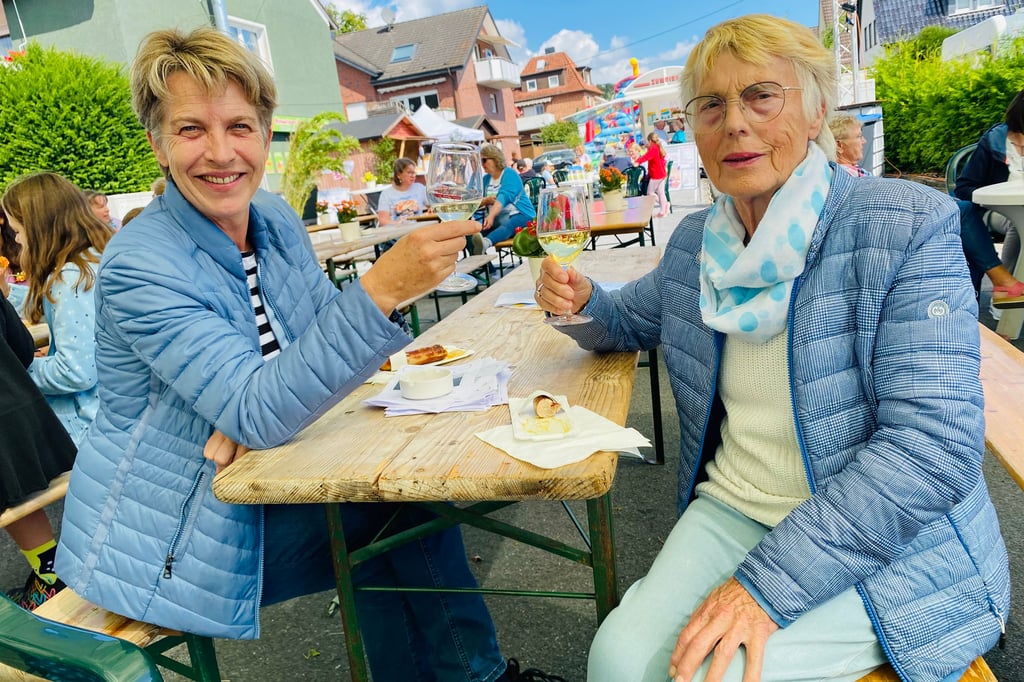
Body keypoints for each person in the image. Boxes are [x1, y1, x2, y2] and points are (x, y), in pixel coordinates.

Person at [52, 27, 555, 682]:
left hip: (263, 477)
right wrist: (378, 293)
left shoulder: (274, 218)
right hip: (166, 537)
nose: (220, 152)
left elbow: (309, 362)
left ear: (265, 135)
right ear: (158, 143)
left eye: (239, 126)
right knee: (397, 510)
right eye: (191, 129)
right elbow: (268, 403)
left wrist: (258, 406)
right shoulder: (138, 265)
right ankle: (482, 678)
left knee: (390, 510)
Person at [534, 14, 1008, 682]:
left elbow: (932, 449)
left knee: (711, 676)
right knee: (614, 662)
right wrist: (583, 302)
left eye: (761, 96)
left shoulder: (904, 224)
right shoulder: (697, 243)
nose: (735, 123)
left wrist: (762, 588)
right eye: (711, 105)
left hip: (890, 543)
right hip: (734, 505)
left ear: (815, 111)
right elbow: (629, 320)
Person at [2, 172, 111, 446]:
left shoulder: (70, 280)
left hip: (86, 428)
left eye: (18, 231)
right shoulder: (90, 261)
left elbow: (76, 371)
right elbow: (50, 306)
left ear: (38, 228)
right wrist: (7, 294)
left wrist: (17, 372)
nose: (17, 240)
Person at [0, 290, 78, 611]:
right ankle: (49, 573)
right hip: (20, 424)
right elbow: (22, 348)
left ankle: (48, 576)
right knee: (18, 491)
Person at [954, 89, 1024, 306]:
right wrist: (992, 194)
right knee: (1019, 220)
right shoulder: (994, 142)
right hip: (995, 210)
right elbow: (964, 187)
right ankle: (1007, 292)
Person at [474, 144, 537, 254]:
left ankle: (486, 243)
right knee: (473, 234)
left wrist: (491, 216)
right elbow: (476, 198)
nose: (482, 164)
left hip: (522, 215)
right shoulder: (486, 179)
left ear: (495, 159)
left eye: (484, 160)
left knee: (509, 225)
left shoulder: (509, 174)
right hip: (497, 219)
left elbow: (503, 197)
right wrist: (485, 201)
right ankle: (483, 262)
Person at [376, 157, 428, 226]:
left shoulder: (419, 188)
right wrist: (399, 225)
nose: (413, 176)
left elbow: (434, 206)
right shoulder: (386, 194)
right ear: (398, 175)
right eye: (409, 172)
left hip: (420, 229)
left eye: (414, 172)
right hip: (399, 231)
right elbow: (383, 221)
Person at [633, 132, 669, 218]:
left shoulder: (653, 149)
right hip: (661, 173)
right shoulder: (657, 147)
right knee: (661, 192)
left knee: (650, 192)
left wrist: (637, 162)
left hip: (656, 175)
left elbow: (646, 156)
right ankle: (663, 210)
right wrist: (647, 147)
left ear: (649, 141)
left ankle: (664, 205)